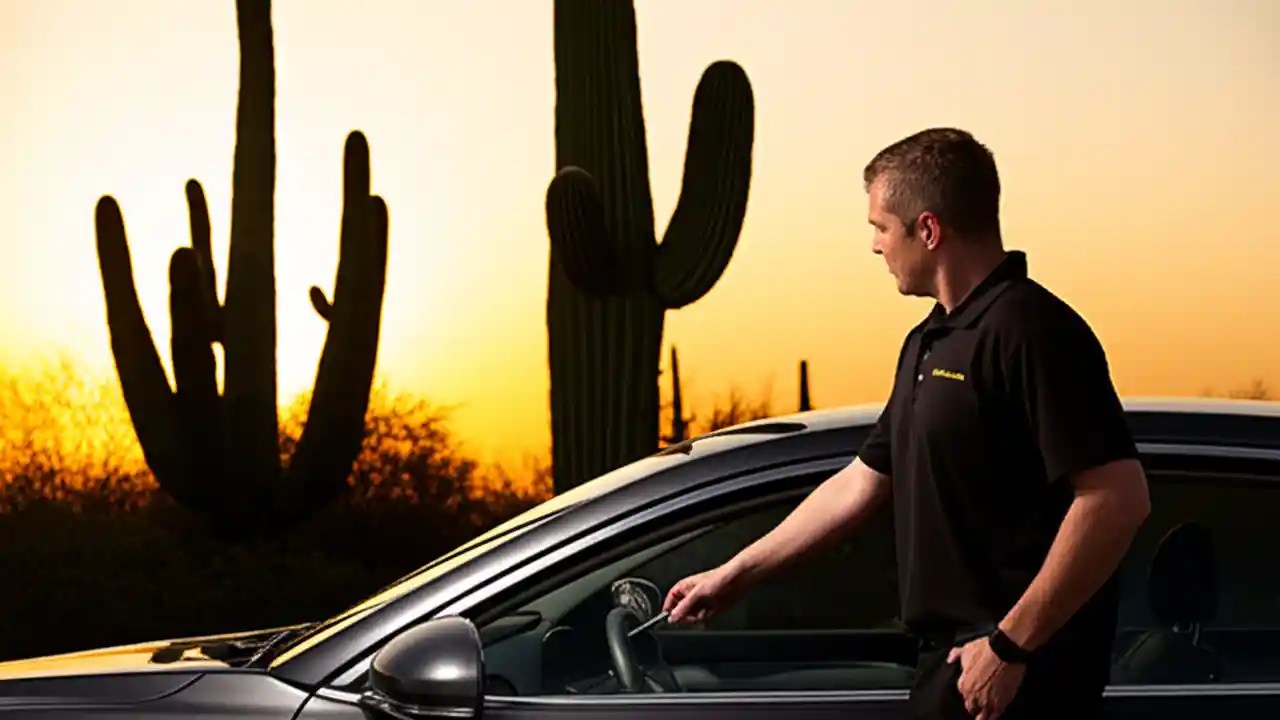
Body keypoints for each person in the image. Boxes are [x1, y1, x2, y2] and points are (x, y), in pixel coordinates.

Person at [661, 127, 1152, 719]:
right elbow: (861, 482)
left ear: (928, 229)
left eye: (880, 227)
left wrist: (1011, 644)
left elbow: (1116, 499)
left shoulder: (1032, 331)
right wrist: (736, 574)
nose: (874, 246)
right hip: (951, 666)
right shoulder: (929, 341)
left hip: (1017, 676)